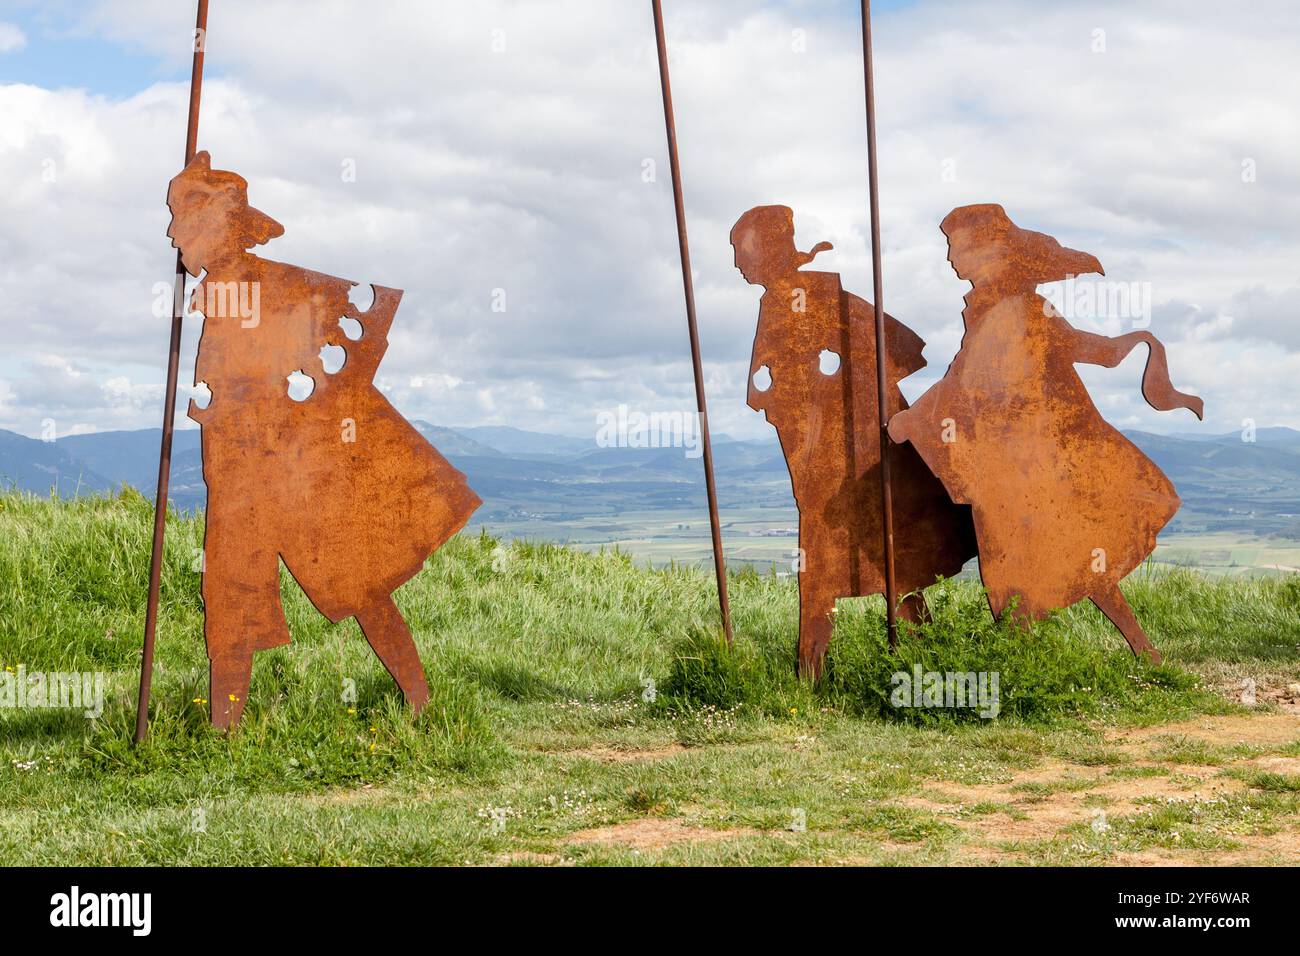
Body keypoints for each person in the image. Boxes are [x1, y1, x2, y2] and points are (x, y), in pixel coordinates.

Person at [166, 152, 481, 728]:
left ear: (216, 227)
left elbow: (358, 324)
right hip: (236, 476)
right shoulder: (216, 297)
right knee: (231, 598)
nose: (170, 234)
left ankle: (420, 702)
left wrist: (289, 413)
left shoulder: (280, 287)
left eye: (181, 222)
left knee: (358, 583)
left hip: (292, 470)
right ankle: (222, 730)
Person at [888, 204, 1203, 662]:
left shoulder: (1009, 308)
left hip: (1019, 467)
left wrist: (910, 420)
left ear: (987, 250)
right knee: (1074, 555)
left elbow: (965, 382)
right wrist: (1134, 345)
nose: (950, 258)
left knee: (1021, 563)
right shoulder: (1012, 305)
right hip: (1028, 459)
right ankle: (1136, 648)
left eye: (955, 246)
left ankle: (1024, 669)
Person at [731, 205, 977, 678]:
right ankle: (840, 672)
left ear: (769, 246)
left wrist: (830, 400)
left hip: (853, 457)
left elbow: (896, 351)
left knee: (872, 557)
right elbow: (759, 388)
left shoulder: (817, 292)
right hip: (817, 460)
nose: (738, 262)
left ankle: (855, 673)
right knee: (851, 560)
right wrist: (786, 397)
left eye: (742, 249)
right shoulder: (780, 300)